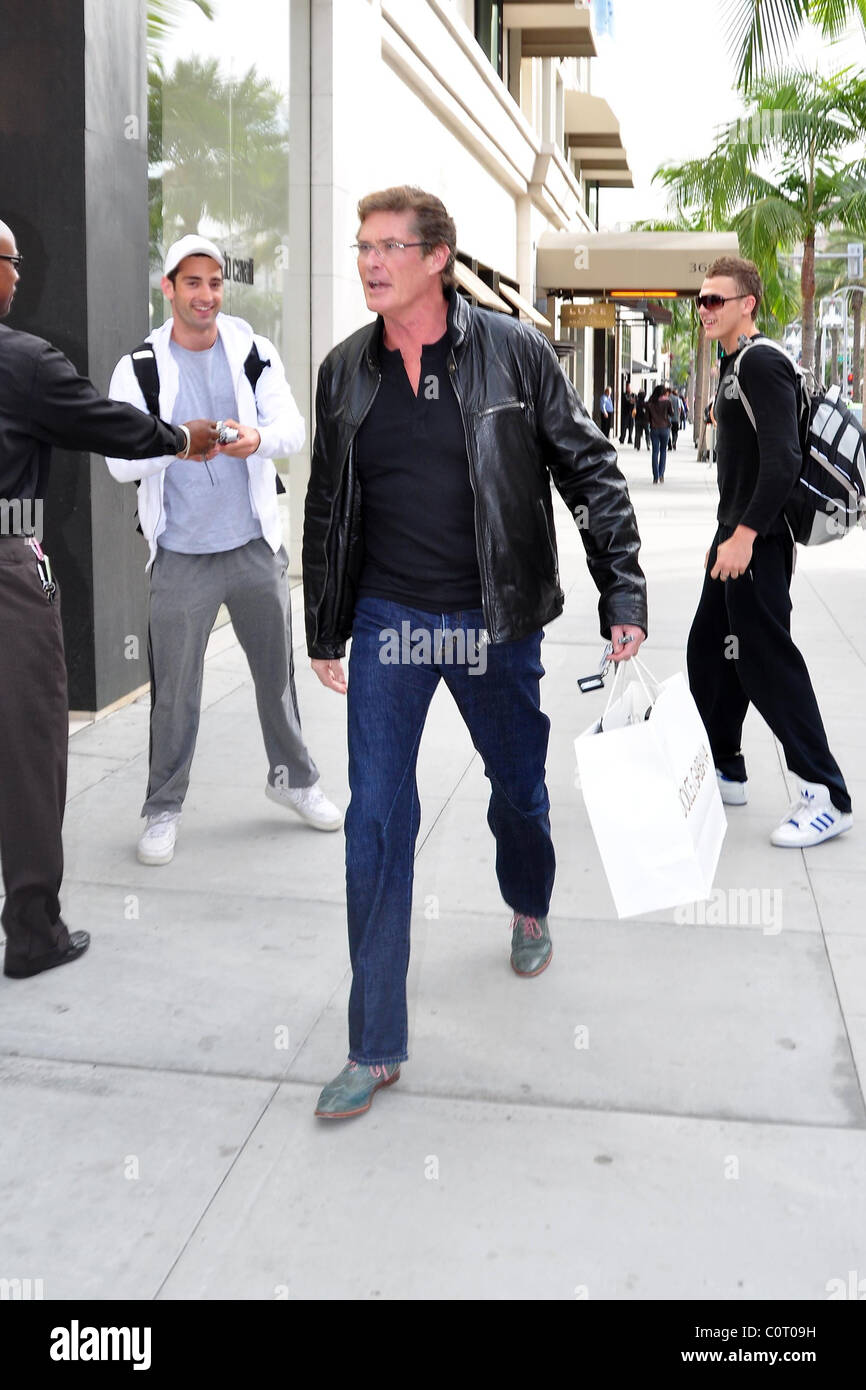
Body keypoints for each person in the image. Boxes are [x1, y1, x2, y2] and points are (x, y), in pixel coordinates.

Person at [303, 186, 647, 1120]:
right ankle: (374, 1043)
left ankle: (527, 900)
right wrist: (326, 624)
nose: (370, 261)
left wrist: (624, 590)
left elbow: (589, 468)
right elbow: (329, 506)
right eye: (362, 246)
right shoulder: (344, 371)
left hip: (495, 619)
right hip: (390, 624)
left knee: (518, 788)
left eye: (388, 247)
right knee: (375, 817)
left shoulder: (514, 353)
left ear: (436, 257)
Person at [0, 218, 218, 979]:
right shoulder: (23, 363)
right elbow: (106, 425)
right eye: (11, 261)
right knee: (28, 751)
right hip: (7, 567)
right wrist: (181, 438)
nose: (20, 273)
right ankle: (32, 933)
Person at [106, 234, 342, 866]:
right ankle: (162, 808)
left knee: (276, 679)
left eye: (214, 283)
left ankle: (294, 780)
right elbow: (117, 462)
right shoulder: (141, 368)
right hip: (180, 557)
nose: (206, 296)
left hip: (252, 549)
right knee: (175, 693)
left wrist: (255, 438)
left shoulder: (254, 353)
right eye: (193, 284)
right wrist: (182, 441)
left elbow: (293, 431)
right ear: (169, 289)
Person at [686, 255, 852, 847]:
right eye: (700, 299)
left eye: (715, 300)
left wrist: (747, 536)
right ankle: (726, 766)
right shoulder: (735, 365)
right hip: (731, 534)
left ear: (746, 305)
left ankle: (825, 793)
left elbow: (783, 459)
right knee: (711, 650)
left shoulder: (761, 363)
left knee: (765, 662)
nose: (703, 308)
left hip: (757, 539)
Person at [647, 383, 674, 483]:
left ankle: (655, 476)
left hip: (654, 428)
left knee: (655, 452)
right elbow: (672, 413)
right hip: (665, 429)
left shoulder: (651, 402)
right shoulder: (667, 401)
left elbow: (648, 417)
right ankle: (661, 474)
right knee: (663, 451)